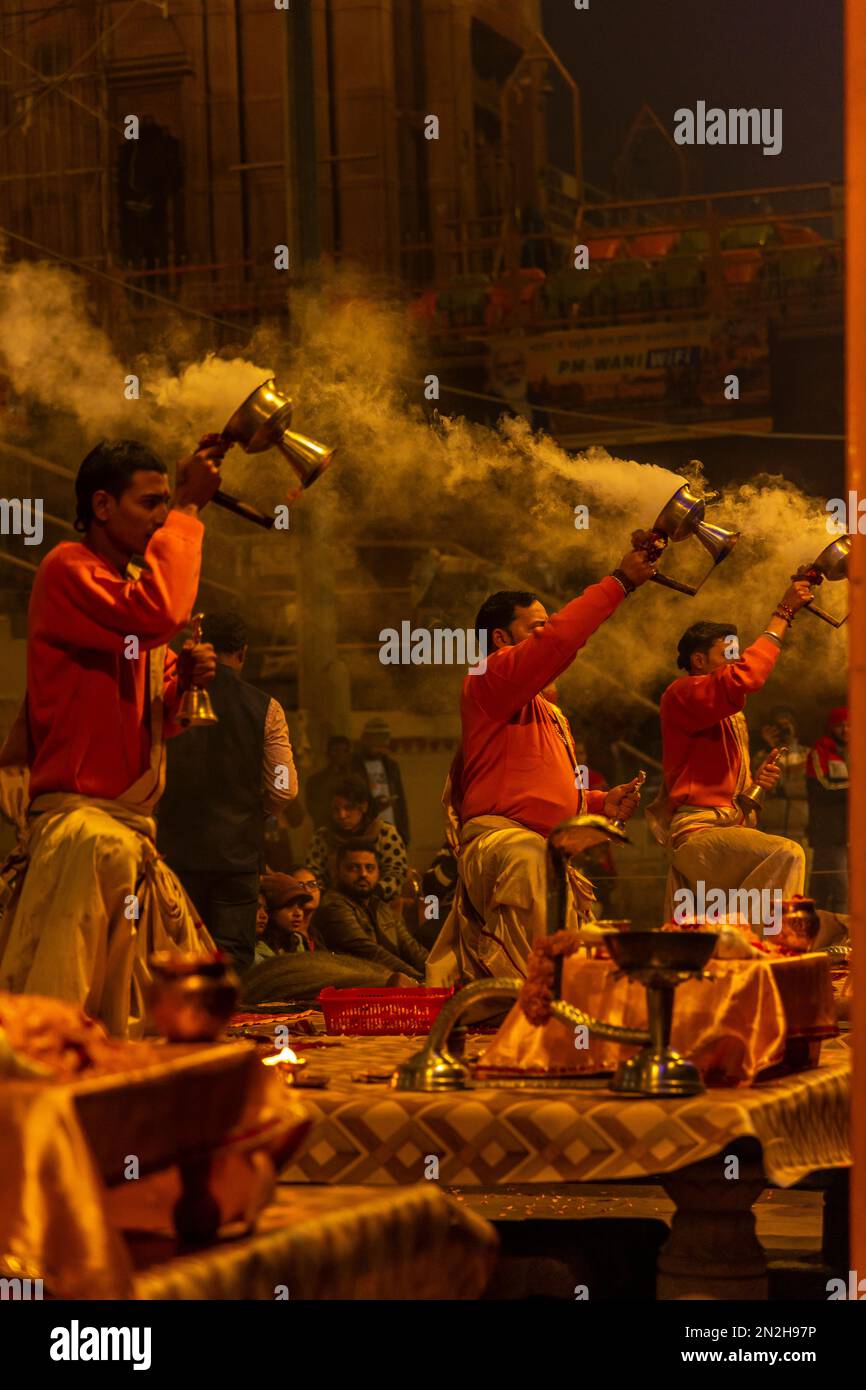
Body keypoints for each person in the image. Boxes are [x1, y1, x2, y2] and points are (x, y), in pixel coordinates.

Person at [0, 435, 224, 1036]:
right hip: (84, 834)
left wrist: (182, 688)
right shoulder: (67, 569)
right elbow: (157, 613)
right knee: (68, 1025)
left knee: (145, 1029)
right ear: (102, 506)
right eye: (149, 503)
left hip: (124, 834)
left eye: (164, 502)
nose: (159, 515)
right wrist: (190, 511)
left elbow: (156, 710)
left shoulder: (122, 585)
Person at [426, 547, 655, 986]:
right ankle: (531, 1016)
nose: (547, 634)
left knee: (577, 956)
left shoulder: (547, 709)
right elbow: (559, 641)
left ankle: (552, 1018)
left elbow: (545, 788)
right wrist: (619, 583)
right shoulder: (487, 677)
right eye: (536, 628)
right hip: (504, 844)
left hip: (544, 849)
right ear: (501, 639)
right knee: (531, 861)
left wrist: (603, 801)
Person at [647, 579, 814, 929]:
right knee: (787, 852)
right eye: (728, 653)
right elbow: (744, 679)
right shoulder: (682, 693)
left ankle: (747, 950)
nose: (736, 661)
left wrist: (757, 784)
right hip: (700, 832)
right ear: (698, 659)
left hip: (728, 826)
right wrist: (783, 613)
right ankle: (768, 951)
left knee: (707, 939)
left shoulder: (725, 710)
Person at [157, 610, 298, 973]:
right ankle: (229, 1029)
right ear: (243, 652)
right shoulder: (267, 708)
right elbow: (284, 788)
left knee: (178, 960)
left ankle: (177, 1029)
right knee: (230, 966)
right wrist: (255, 813)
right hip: (236, 860)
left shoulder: (164, 699)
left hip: (175, 854)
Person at [312, 842, 429, 982]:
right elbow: (369, 952)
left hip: (390, 982)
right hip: (358, 987)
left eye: (369, 868)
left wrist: (435, 970)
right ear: (337, 872)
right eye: (353, 868)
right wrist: (418, 979)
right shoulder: (333, 905)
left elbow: (410, 947)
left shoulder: (379, 906)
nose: (363, 874)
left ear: (378, 872)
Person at [306, 775, 407, 902]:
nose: (342, 815)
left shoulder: (384, 833)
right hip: (333, 905)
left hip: (378, 904)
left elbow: (396, 874)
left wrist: (371, 896)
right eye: (336, 809)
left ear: (364, 806)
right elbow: (312, 875)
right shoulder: (323, 837)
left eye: (349, 808)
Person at [806, 705, 849, 912]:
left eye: (850, 725)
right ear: (831, 727)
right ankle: (846, 940)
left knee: (820, 890)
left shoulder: (855, 752)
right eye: (841, 726)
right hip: (829, 833)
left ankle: (818, 934)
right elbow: (820, 788)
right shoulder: (820, 751)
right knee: (843, 892)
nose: (846, 730)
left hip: (850, 834)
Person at [750, 704, 809, 845]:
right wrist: (772, 749)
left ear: (796, 727)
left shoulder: (807, 754)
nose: (784, 730)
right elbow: (761, 785)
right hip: (769, 828)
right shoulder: (762, 756)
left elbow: (809, 787)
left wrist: (786, 790)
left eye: (788, 725)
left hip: (799, 828)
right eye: (780, 726)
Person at [353, 718, 410, 846]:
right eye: (376, 745)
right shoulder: (353, 766)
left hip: (391, 831)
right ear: (366, 742)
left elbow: (401, 803)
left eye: (383, 745)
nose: (380, 749)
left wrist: (404, 834)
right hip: (364, 831)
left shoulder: (391, 766)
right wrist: (374, 806)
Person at [304, 734, 354, 831]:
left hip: (352, 833)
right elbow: (314, 811)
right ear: (327, 753)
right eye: (335, 750)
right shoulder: (315, 781)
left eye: (344, 750)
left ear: (349, 754)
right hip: (326, 833)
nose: (340, 754)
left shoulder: (356, 780)